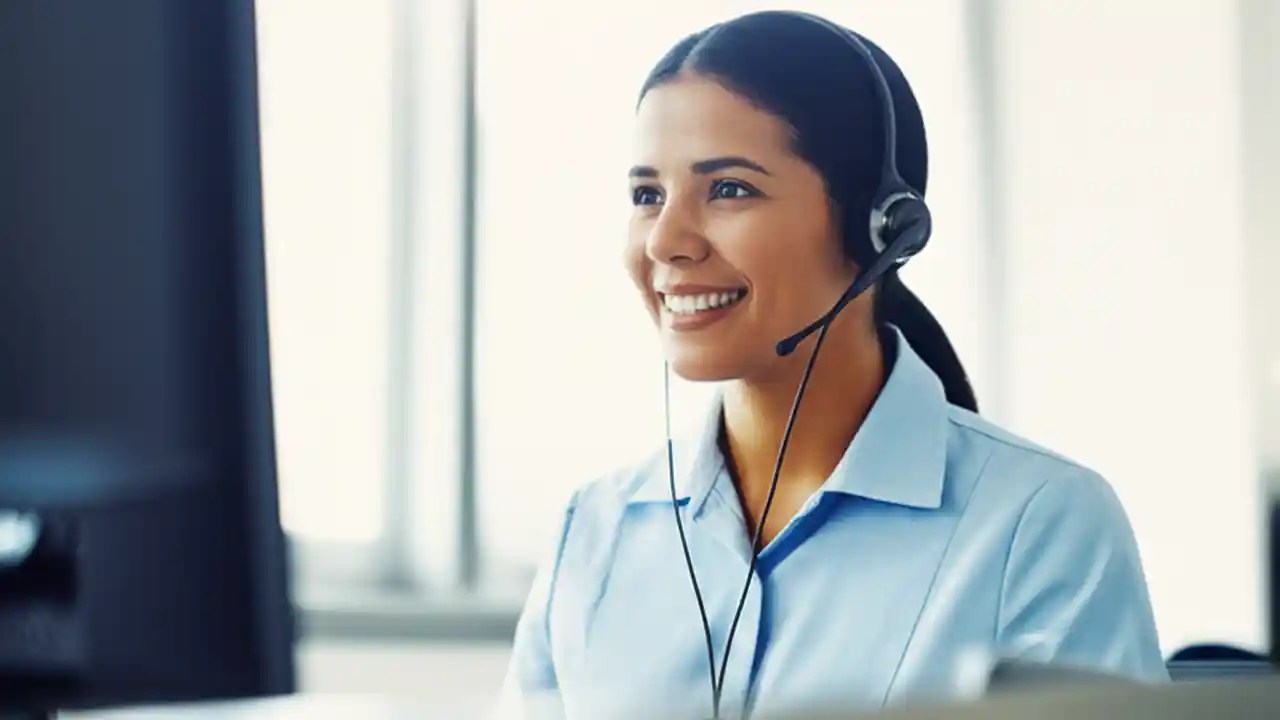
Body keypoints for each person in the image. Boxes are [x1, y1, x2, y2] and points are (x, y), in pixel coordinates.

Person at [497, 10, 1166, 720]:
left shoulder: (1039, 525)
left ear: (881, 227)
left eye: (729, 189)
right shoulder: (594, 531)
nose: (666, 240)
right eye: (647, 196)